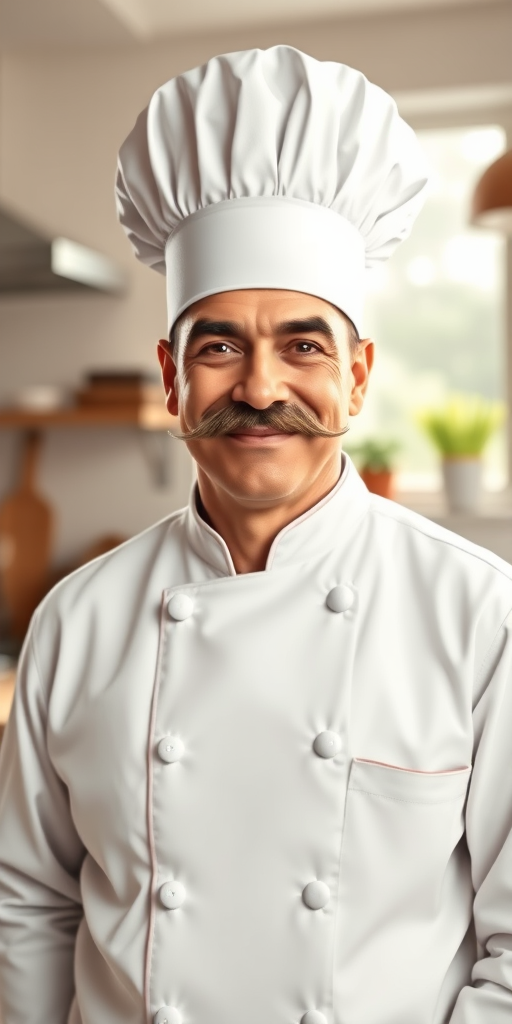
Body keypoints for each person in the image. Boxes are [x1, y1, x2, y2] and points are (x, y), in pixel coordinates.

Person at [0, 45, 511, 1024]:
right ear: (169, 375)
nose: (261, 387)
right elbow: (28, 904)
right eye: (219, 343)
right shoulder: (78, 619)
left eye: (302, 344)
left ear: (357, 374)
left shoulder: (478, 613)